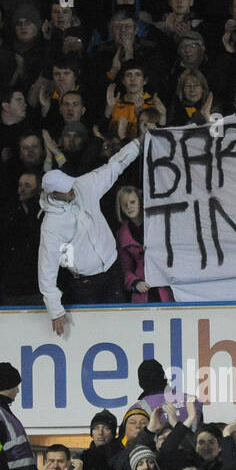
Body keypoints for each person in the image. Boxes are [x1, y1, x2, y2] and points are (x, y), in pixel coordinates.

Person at [37, 136, 143, 335]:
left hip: (113, 269)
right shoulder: (52, 226)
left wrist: (137, 144)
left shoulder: (82, 186)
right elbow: (46, 269)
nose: (72, 191)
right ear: (54, 194)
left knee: (121, 327)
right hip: (85, 283)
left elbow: (114, 166)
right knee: (93, 334)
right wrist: (55, 309)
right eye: (66, 191)